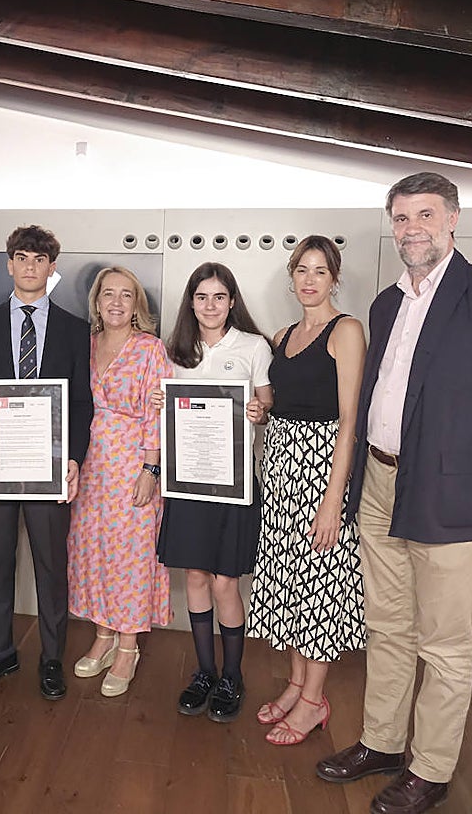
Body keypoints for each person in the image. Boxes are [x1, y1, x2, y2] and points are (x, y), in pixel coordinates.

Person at [316, 172, 472, 814]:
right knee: (387, 625)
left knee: (444, 643)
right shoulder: (386, 304)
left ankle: (432, 770)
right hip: (379, 480)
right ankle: (383, 742)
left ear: (452, 219)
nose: (411, 228)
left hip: (447, 492)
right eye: (400, 217)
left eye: (424, 214)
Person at [0, 225, 93, 701]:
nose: (30, 266)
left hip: (50, 469)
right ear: (9, 264)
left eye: (39, 259)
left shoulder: (76, 330)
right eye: (22, 258)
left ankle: (52, 657)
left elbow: (82, 403)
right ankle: (0, 652)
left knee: (51, 569)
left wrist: (74, 459)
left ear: (52, 267)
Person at [245, 234, 368, 746]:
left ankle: (315, 700)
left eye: (320, 270)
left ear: (334, 278)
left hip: (321, 470)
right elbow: (282, 401)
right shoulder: (282, 335)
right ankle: (296, 684)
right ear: (292, 278)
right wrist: (261, 410)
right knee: (289, 584)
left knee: (320, 588)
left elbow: (350, 421)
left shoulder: (347, 331)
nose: (310, 279)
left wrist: (333, 500)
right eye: (302, 270)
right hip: (279, 468)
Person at [155, 262, 273, 723]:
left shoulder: (253, 346)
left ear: (231, 301)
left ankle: (232, 676)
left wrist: (259, 411)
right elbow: (166, 410)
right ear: (191, 302)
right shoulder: (175, 351)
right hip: (188, 480)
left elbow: (267, 402)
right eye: (202, 297)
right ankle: (205, 672)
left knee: (226, 581)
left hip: (233, 481)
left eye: (219, 297)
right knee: (196, 577)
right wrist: (160, 404)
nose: (210, 305)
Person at [67, 267, 171, 698]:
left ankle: (128, 647)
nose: (115, 302)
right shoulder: (85, 344)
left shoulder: (150, 348)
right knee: (94, 551)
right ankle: (103, 636)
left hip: (132, 465)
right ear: (96, 301)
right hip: (90, 466)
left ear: (136, 305)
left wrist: (151, 469)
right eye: (108, 293)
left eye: (125, 295)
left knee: (131, 556)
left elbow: (157, 413)